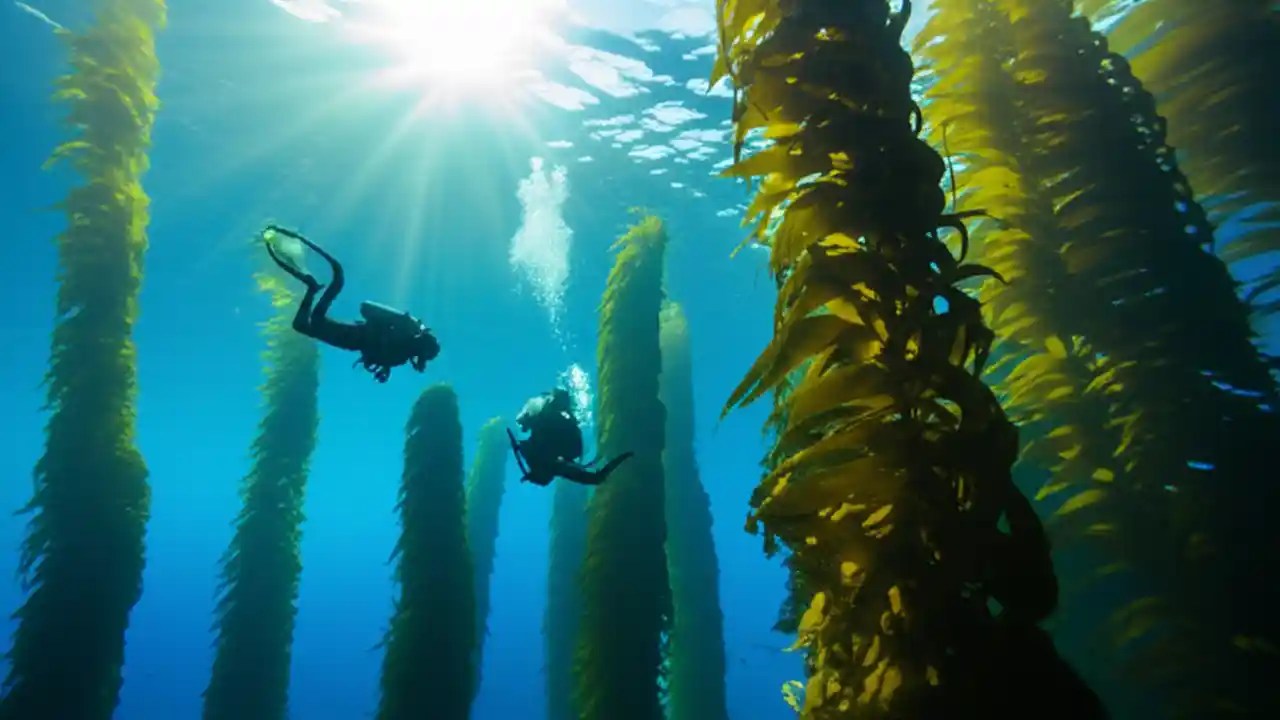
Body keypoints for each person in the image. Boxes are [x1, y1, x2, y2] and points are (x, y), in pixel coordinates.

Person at [261, 224, 440, 382]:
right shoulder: (404, 340)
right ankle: (310, 282)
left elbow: (379, 353)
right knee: (315, 314)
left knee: (310, 318)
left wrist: (383, 367)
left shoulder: (402, 350)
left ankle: (311, 283)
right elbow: (371, 319)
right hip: (349, 337)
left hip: (348, 338)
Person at [508, 388, 633, 486]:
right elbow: (597, 478)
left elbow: (597, 478)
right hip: (560, 435)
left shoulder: (546, 458)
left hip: (556, 432)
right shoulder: (553, 463)